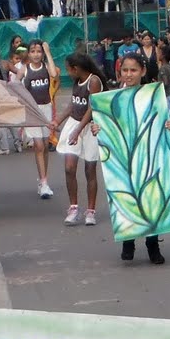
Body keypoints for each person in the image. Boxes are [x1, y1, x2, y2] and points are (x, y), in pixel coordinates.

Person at [94, 52, 170, 265]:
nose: (129, 75)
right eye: (125, 70)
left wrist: (168, 127)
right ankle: (128, 241)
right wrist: (98, 127)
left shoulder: (154, 96)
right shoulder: (112, 99)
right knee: (124, 195)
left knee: (152, 198)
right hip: (122, 156)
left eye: (133, 70)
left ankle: (152, 244)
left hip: (149, 154)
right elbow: (107, 128)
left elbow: (162, 123)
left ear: (143, 71)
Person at [56, 52, 103, 227]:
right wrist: (57, 121)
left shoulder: (94, 81)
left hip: (90, 127)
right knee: (69, 168)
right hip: (74, 124)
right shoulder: (77, 81)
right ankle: (73, 208)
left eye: (69, 70)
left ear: (76, 69)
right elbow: (73, 104)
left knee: (90, 170)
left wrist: (78, 130)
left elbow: (91, 108)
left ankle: (90, 211)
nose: (68, 73)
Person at [15, 41, 58, 199]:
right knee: (39, 145)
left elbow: (54, 74)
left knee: (45, 145)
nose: (36, 54)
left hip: (46, 108)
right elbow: (14, 83)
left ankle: (42, 179)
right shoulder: (24, 69)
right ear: (28, 53)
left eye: (38, 51)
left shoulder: (46, 67)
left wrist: (48, 52)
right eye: (33, 51)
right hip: (32, 111)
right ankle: (45, 183)